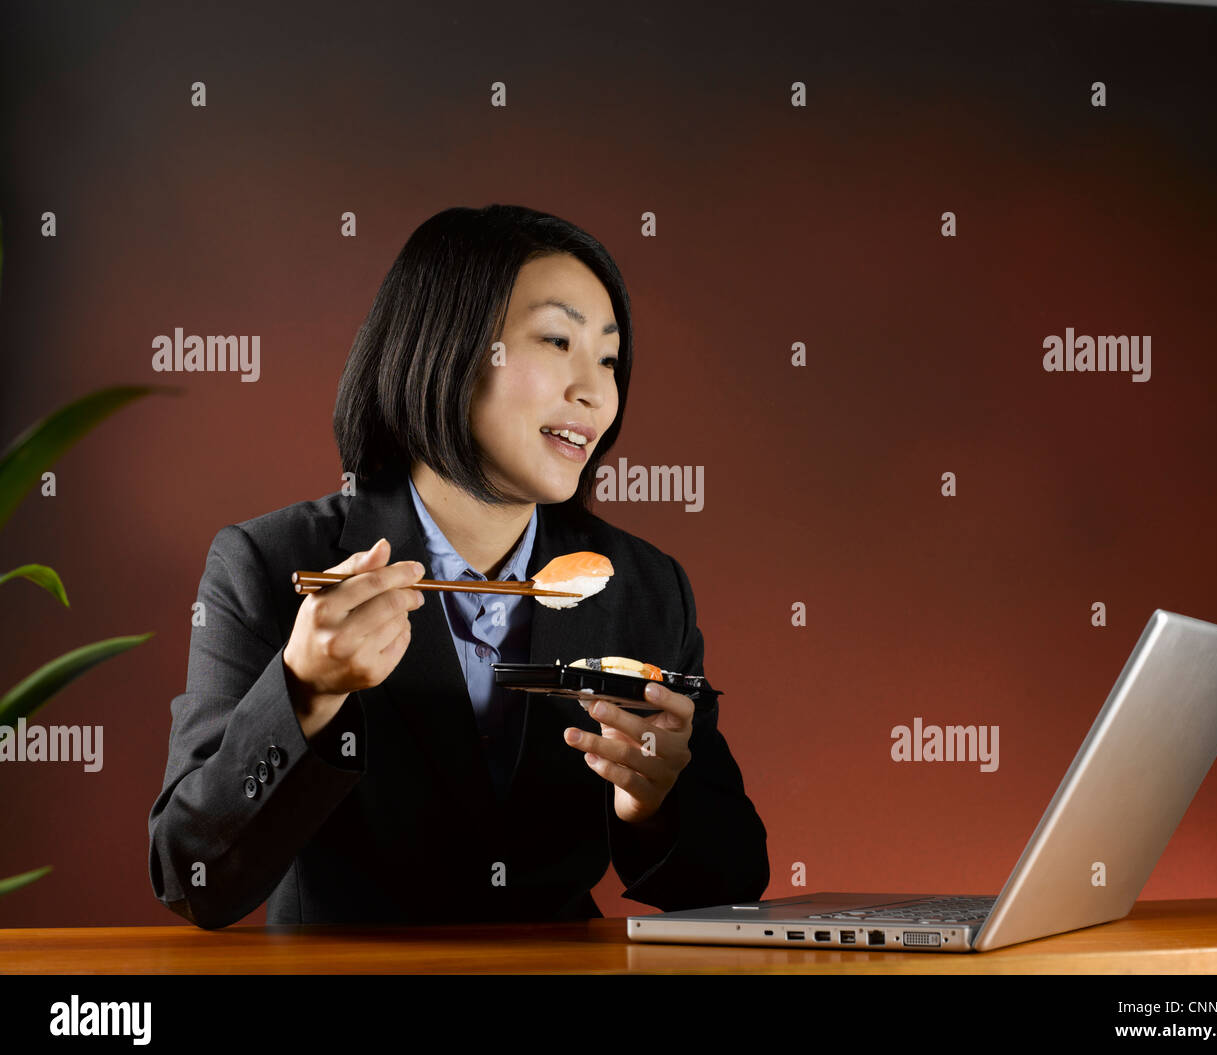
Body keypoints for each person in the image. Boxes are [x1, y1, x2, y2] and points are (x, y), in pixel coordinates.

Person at [147, 205, 770, 928]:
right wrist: (303, 691)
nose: (595, 392)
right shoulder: (273, 562)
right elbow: (190, 876)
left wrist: (657, 804)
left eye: (608, 357)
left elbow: (733, 885)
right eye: (557, 340)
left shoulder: (642, 586)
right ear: (443, 348)